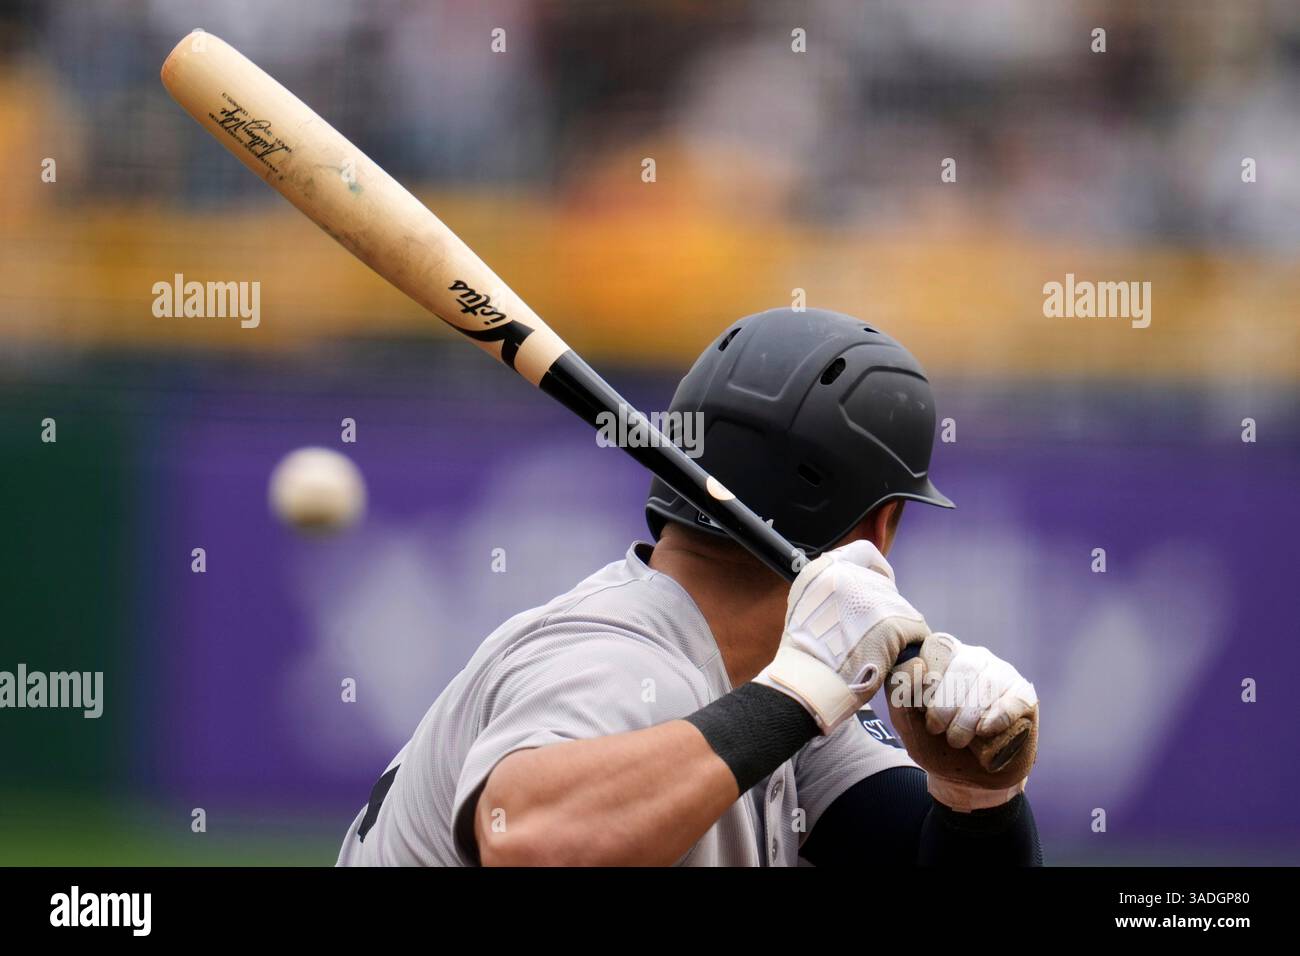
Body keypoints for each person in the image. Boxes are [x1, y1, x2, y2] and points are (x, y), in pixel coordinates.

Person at [337, 307, 1041, 866]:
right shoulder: (624, 659)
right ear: (878, 530)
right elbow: (524, 840)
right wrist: (793, 697)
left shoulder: (774, 693)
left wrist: (977, 799)